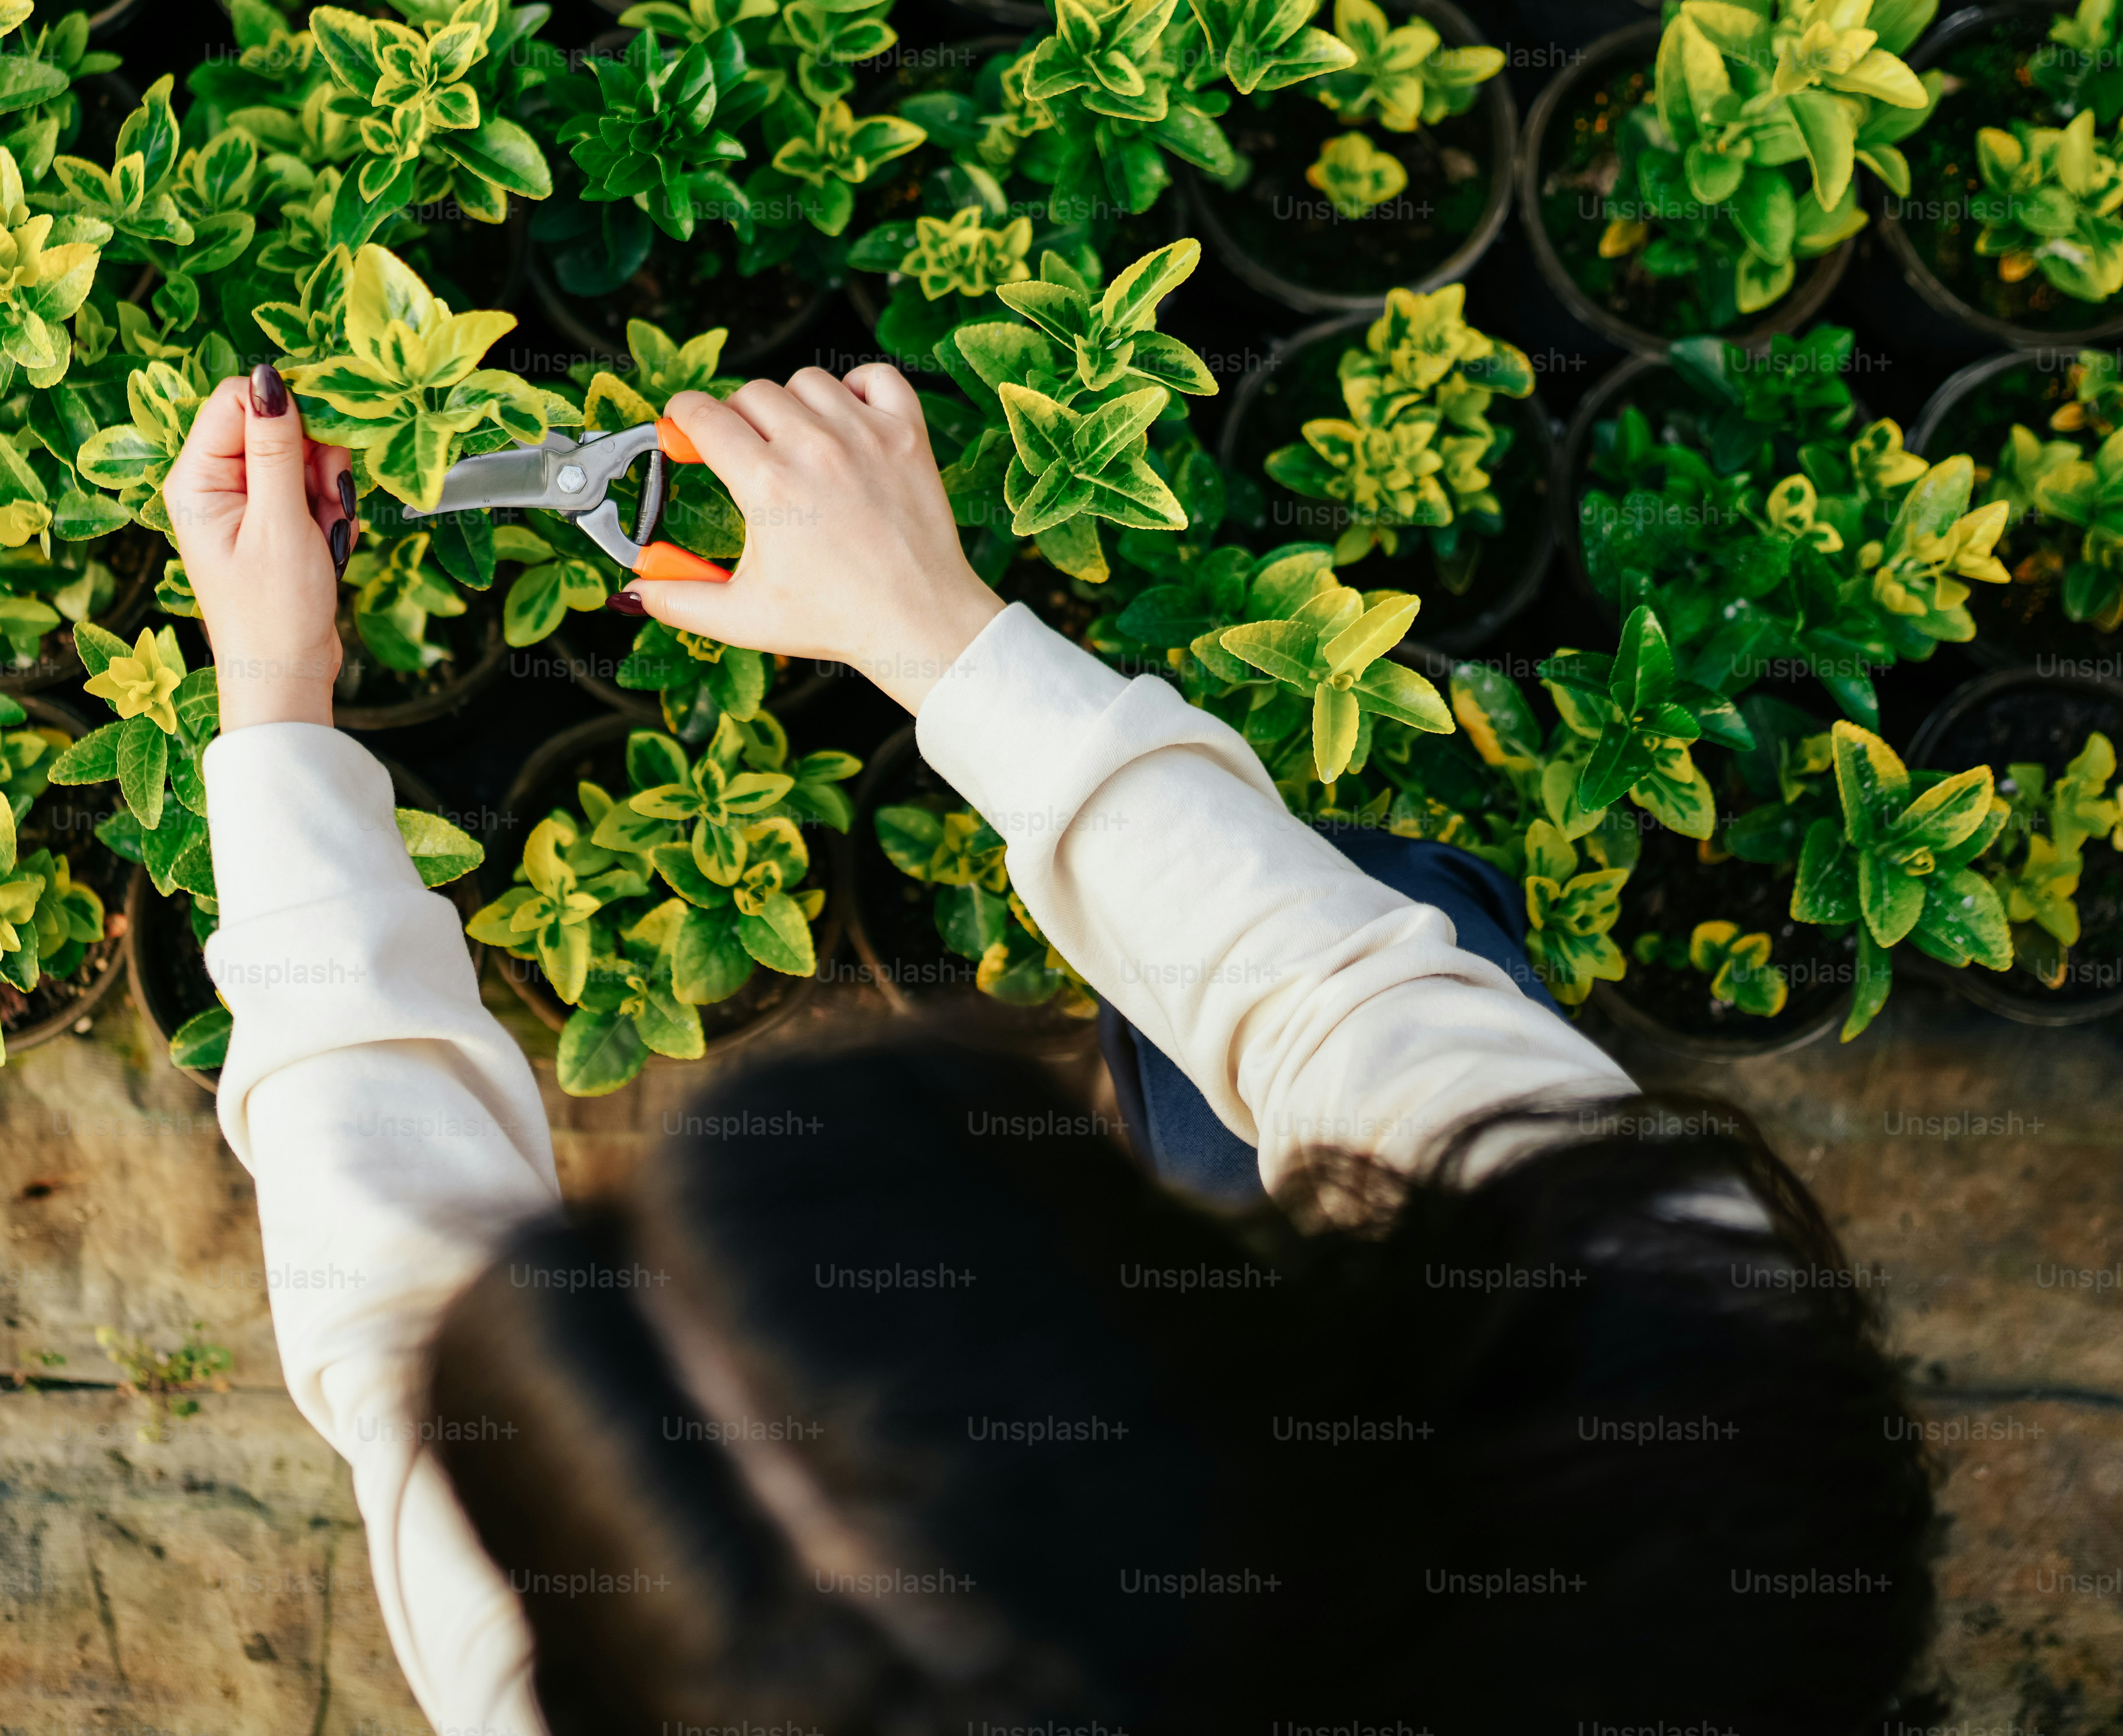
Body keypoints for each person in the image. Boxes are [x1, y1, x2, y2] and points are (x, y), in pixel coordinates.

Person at [166, 360, 1941, 1736]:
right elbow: (1350, 997)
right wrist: (931, 627)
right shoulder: (1669, 1408)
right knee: (1364, 926)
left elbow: (399, 1335)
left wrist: (273, 713)